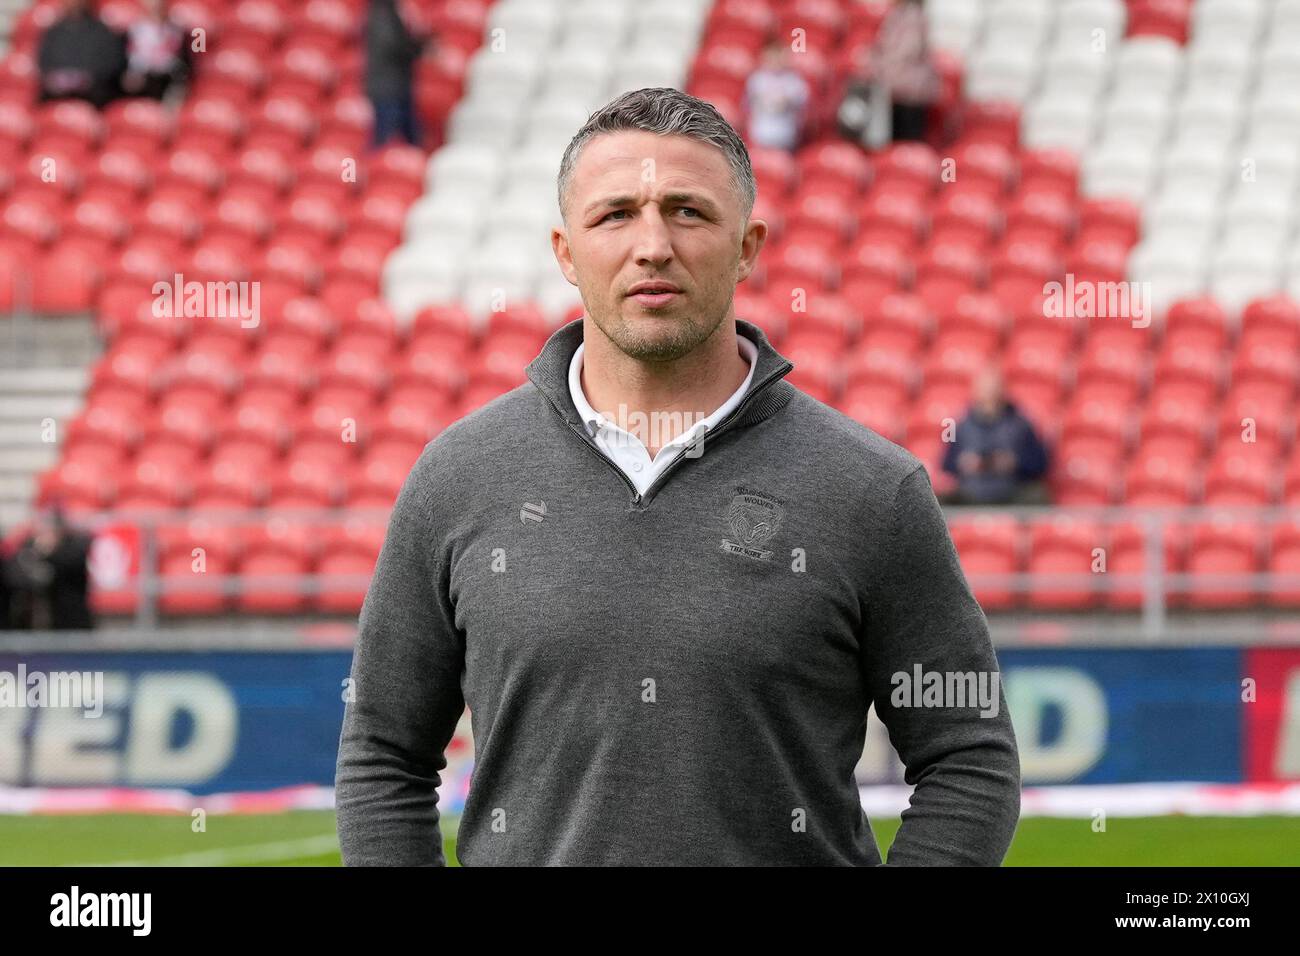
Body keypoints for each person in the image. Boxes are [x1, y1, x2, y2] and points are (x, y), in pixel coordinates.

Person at [335, 87, 1020, 866]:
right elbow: (384, 754)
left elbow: (968, 754)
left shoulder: (871, 489)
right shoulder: (457, 477)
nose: (653, 244)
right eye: (615, 214)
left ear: (748, 244)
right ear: (566, 251)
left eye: (689, 212)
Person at [940, 367, 1051, 505]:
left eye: (993, 389)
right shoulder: (959, 425)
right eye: (986, 389)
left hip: (1010, 492)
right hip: (971, 493)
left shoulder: (1022, 424)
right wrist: (964, 463)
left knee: (1038, 495)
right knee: (937, 500)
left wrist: (1014, 463)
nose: (989, 394)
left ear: (1003, 390)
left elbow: (1040, 463)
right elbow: (946, 462)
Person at [858, 0, 938, 142]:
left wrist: (879, 68)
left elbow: (905, 53)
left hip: (908, 95)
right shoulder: (898, 14)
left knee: (906, 144)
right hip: (895, 92)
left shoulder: (913, 17)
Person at [9, 504, 95, 630]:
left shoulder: (75, 546)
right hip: (44, 620)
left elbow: (69, 563)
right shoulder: (32, 547)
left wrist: (48, 552)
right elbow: (19, 571)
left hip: (72, 620)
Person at [37, 0, 128, 109]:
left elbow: (113, 63)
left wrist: (86, 79)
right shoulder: (54, 32)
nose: (73, 3)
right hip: (58, 93)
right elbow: (44, 62)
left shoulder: (102, 32)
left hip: (93, 93)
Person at [364, 0, 429, 148]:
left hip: (397, 84)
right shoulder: (382, 11)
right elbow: (390, 45)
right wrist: (418, 51)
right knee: (385, 136)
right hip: (387, 86)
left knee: (409, 135)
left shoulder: (392, 10)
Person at [741, 40, 810, 152]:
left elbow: (802, 108)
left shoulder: (794, 81)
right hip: (760, 133)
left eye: (778, 57)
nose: (775, 62)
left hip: (785, 135)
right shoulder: (757, 79)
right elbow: (747, 106)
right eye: (771, 57)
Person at [121, 0, 191, 101]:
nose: (155, 8)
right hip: (144, 75)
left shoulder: (177, 27)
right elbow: (132, 57)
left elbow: (194, 48)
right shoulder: (136, 28)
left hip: (170, 75)